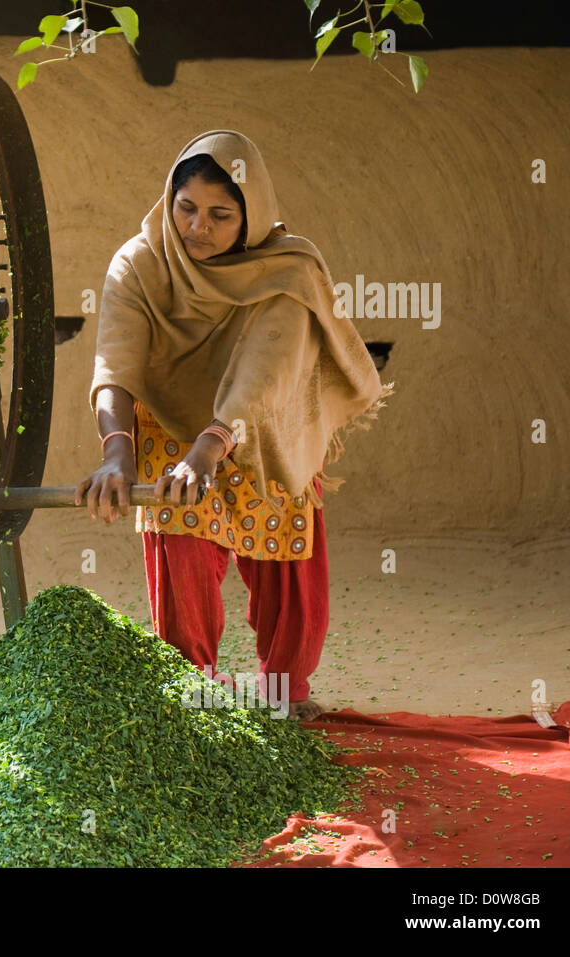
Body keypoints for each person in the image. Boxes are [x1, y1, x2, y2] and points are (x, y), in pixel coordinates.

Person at [75, 130, 391, 721]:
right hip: (171, 423)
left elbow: (262, 376)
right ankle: (192, 694)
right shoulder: (140, 264)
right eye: (187, 207)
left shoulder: (288, 271)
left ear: (252, 216)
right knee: (183, 544)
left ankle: (284, 695)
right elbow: (115, 362)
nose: (198, 227)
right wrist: (116, 450)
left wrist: (214, 445)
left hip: (266, 425)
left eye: (221, 215)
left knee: (284, 557)